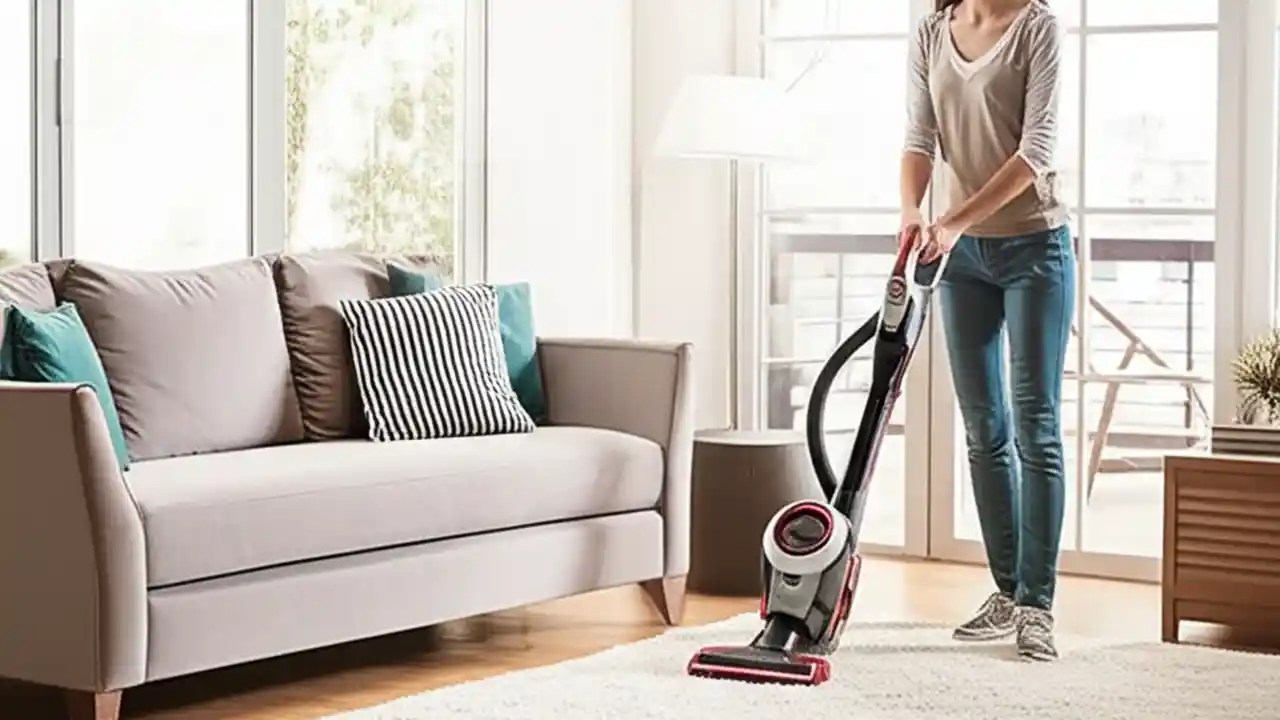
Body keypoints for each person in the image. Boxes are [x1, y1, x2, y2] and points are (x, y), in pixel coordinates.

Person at [899, 0, 1073, 662]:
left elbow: (1036, 152)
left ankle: (1038, 605)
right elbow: (920, 136)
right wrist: (914, 210)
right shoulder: (931, 29)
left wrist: (955, 219)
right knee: (982, 427)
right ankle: (1007, 591)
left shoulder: (1037, 26)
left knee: (1036, 424)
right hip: (959, 256)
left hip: (1035, 246)